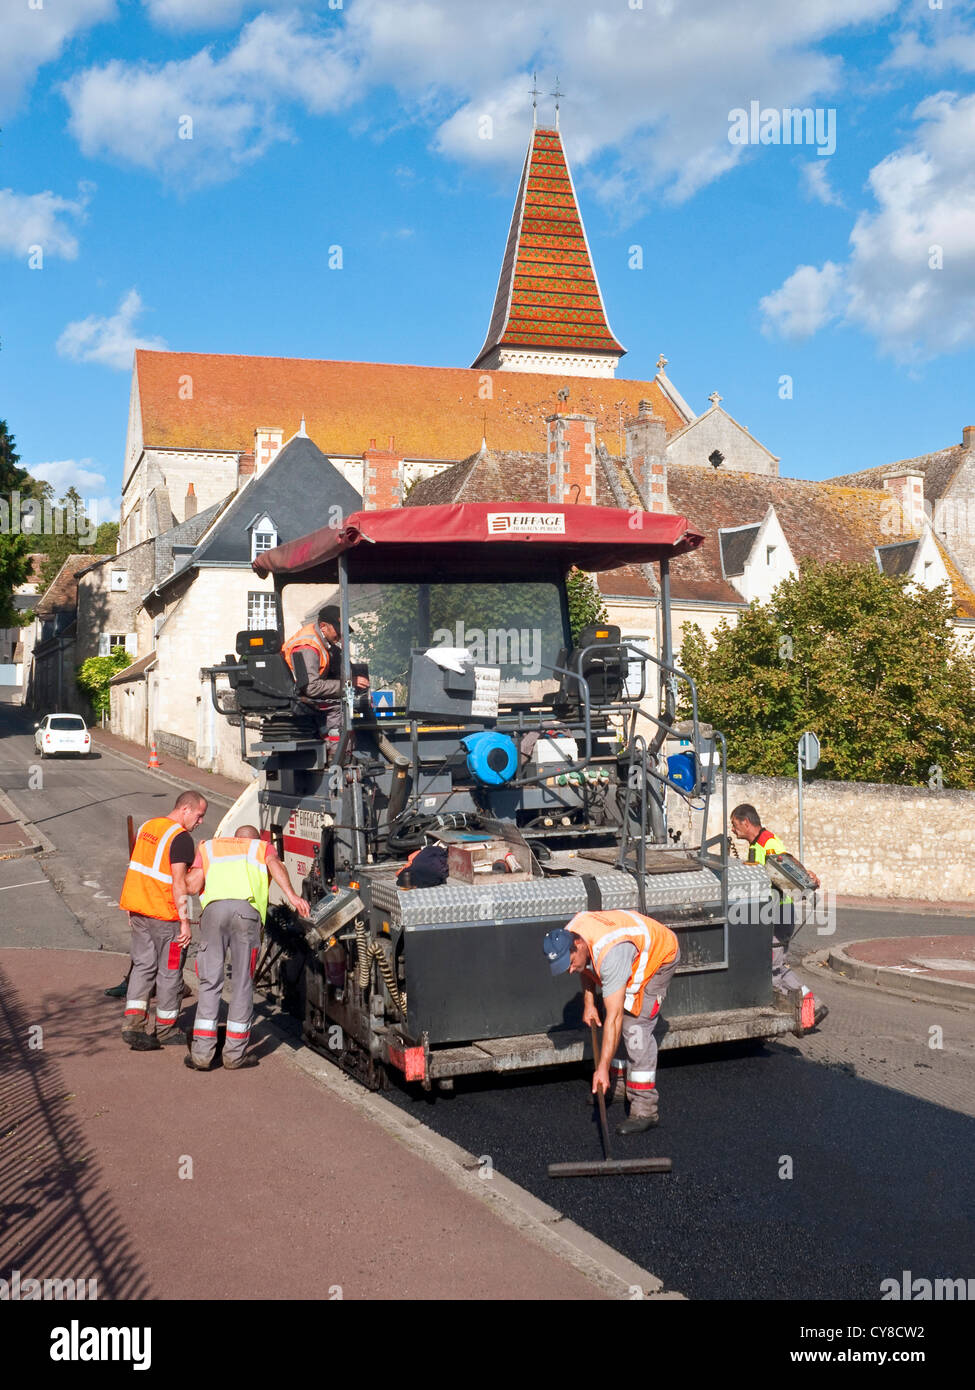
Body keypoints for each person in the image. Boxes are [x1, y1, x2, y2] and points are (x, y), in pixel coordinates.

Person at [183, 824, 311, 1071]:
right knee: (242, 983)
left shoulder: (210, 847)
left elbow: (191, 884)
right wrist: (293, 896)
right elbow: (275, 864)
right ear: (255, 839)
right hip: (246, 914)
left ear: (234, 838)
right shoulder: (261, 847)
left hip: (213, 913)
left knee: (210, 981)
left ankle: (201, 1055)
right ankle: (234, 1055)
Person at [543, 909, 680, 1135]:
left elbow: (615, 1018)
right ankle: (617, 1087)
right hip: (628, 955)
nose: (568, 971)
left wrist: (602, 1068)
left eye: (568, 964)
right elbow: (584, 967)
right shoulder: (571, 933)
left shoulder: (611, 954)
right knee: (615, 1018)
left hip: (659, 956)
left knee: (634, 1027)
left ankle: (645, 1109)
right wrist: (589, 1003)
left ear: (576, 946)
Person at [118, 790, 208, 1050]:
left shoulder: (149, 826)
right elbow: (179, 883)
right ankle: (165, 1029)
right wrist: (184, 921)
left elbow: (137, 867)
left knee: (143, 966)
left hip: (139, 911)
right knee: (169, 973)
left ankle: (132, 1026)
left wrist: (130, 907)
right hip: (165, 917)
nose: (200, 821)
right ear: (185, 810)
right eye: (199, 815)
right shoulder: (180, 838)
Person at [729, 803, 827, 1025]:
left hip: (778, 914)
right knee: (774, 966)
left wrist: (805, 874)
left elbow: (785, 865)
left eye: (735, 825)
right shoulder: (759, 843)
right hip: (770, 914)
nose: (733, 830)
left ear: (746, 822)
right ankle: (811, 1007)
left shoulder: (768, 842)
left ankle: (811, 1008)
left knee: (772, 969)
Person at [281, 604, 369, 736]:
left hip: (303, 693)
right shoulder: (308, 647)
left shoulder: (323, 642)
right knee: (338, 707)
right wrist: (349, 683)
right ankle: (337, 752)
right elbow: (312, 687)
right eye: (338, 630)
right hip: (297, 696)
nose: (340, 635)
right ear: (323, 626)